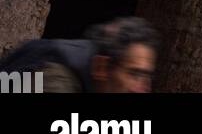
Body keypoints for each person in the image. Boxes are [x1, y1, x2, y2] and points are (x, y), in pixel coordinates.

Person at [0, 16, 159, 93]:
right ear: (101, 67)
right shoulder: (56, 80)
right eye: (134, 74)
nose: (142, 89)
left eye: (147, 77)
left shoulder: (91, 77)